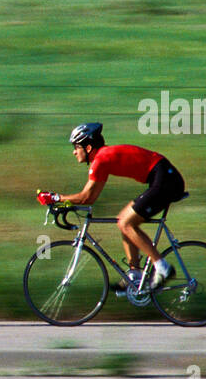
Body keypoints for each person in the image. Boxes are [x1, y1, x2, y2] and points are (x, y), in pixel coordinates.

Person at [37, 122, 185, 291]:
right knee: (122, 220)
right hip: (162, 176)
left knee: (126, 223)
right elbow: (90, 198)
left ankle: (162, 268)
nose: (74, 151)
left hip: (166, 180)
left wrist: (56, 197)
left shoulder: (100, 160)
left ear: (88, 147)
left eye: (76, 147)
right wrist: (62, 200)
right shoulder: (102, 159)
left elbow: (86, 197)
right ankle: (135, 276)